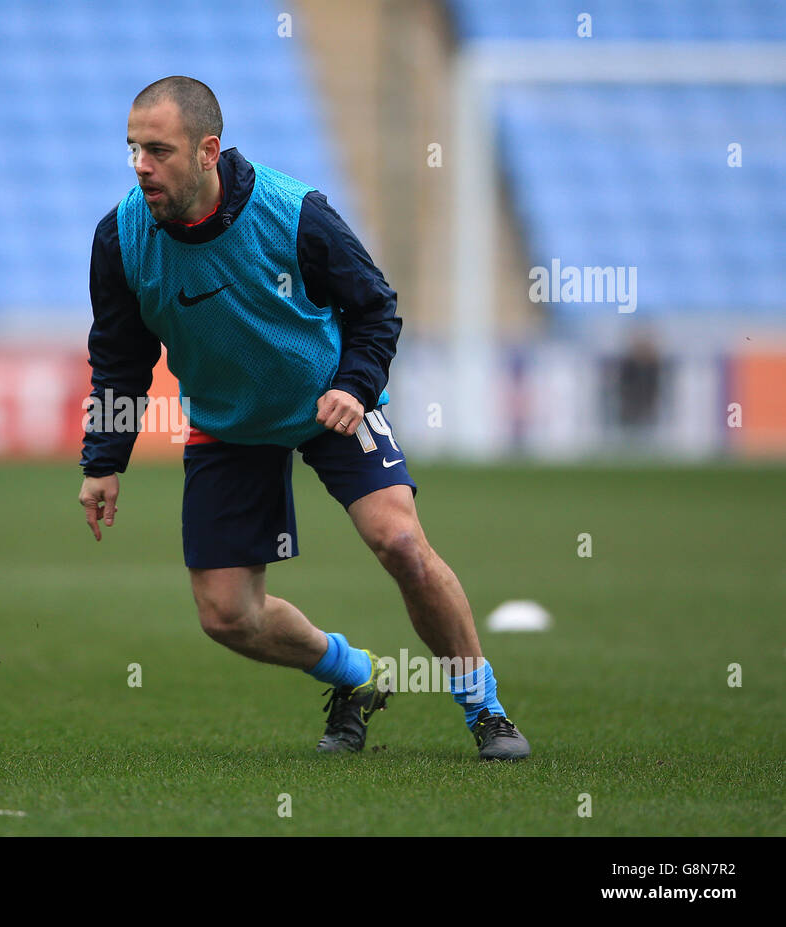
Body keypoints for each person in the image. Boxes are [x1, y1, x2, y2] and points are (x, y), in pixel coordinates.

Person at [77, 76, 529, 761]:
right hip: (228, 423)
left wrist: (355, 384)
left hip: (331, 405)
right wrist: (103, 460)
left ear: (207, 151)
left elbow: (376, 308)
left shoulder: (294, 213)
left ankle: (485, 708)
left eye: (158, 150)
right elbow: (119, 356)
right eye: (134, 148)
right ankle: (357, 675)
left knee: (401, 542)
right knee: (226, 615)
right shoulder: (120, 238)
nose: (141, 165)